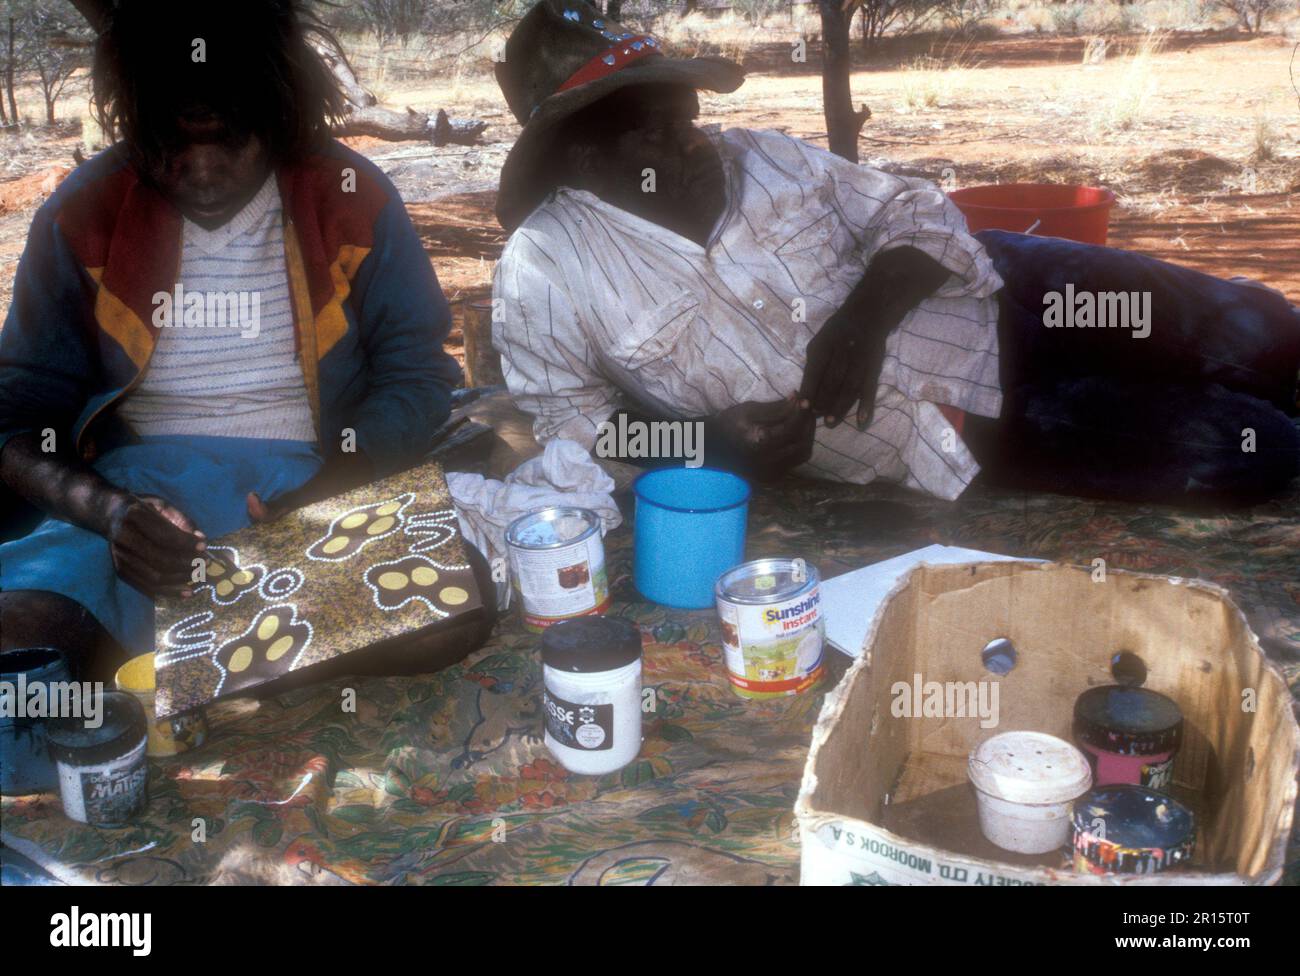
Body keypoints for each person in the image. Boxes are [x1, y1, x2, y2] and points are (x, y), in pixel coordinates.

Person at [491, 0, 1300, 505]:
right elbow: (575, 424)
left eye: (688, 119)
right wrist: (707, 447)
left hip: (1013, 290)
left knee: (1262, 334)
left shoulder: (761, 156)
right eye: (658, 134)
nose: (696, 143)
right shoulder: (545, 269)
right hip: (955, 427)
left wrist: (864, 318)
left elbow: (913, 208)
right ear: (583, 159)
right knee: (1251, 449)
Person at [0, 1, 484, 680]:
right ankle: (234, 655)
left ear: (278, 119)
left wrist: (340, 480)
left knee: (452, 612)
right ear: (136, 126)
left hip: (310, 475)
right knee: (19, 636)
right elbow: (17, 418)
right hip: (132, 494)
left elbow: (417, 373)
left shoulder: (351, 195)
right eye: (172, 144)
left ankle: (163, 665)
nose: (202, 171)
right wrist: (111, 514)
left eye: (229, 140)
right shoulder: (83, 210)